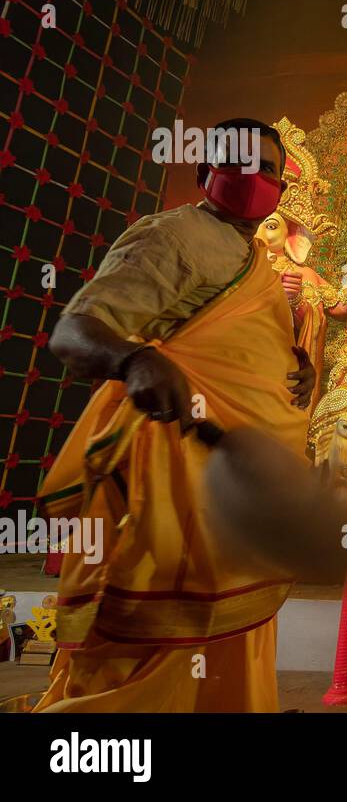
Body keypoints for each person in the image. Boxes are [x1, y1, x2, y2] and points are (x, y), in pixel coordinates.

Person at [35, 118, 316, 712]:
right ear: (203, 172)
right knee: (146, 656)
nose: (256, 177)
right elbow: (73, 332)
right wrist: (133, 359)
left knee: (229, 651)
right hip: (167, 487)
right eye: (241, 163)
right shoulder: (172, 235)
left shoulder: (254, 260)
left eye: (269, 169)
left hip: (236, 502)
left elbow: (226, 342)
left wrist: (294, 362)